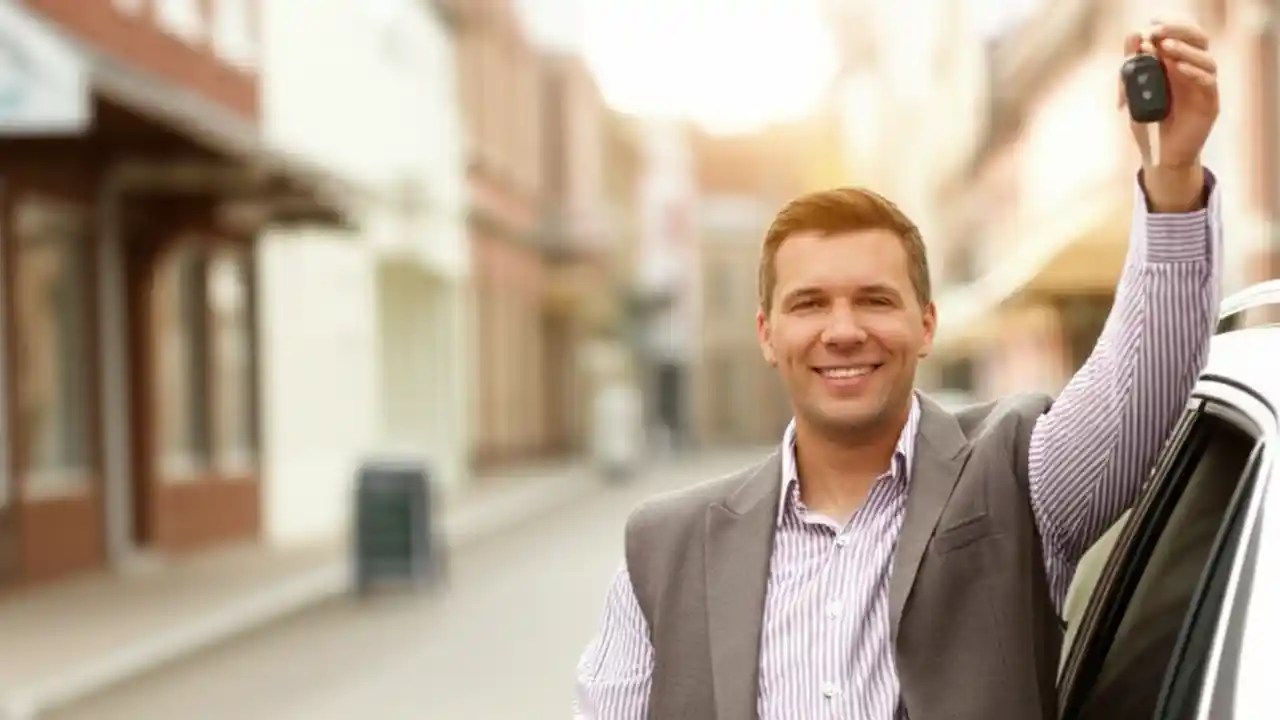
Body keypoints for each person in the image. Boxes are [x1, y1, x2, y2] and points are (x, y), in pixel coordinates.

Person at [573, 19, 1222, 720]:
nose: (844, 331)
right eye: (811, 304)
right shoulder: (663, 550)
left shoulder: (1017, 480)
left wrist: (1172, 175)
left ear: (925, 325)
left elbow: (1139, 389)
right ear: (768, 333)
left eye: (875, 301)